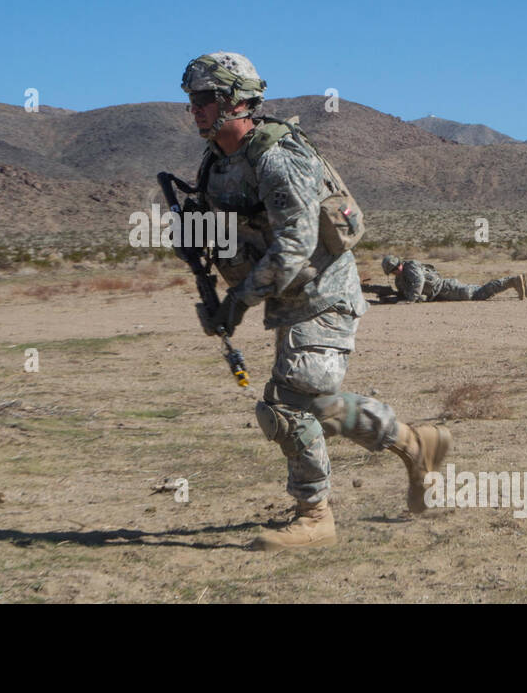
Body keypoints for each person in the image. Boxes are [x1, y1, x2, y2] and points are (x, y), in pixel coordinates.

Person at [181, 52, 451, 550]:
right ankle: (415, 445)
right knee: (318, 405)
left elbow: (294, 244)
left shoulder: (278, 157)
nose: (195, 108)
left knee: (285, 404)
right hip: (286, 298)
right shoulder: (217, 163)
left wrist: (238, 301)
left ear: (238, 101)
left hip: (325, 294)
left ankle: (315, 516)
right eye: (192, 98)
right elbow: (233, 233)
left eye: (205, 98)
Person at [380, 255, 527, 302]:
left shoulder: (410, 267)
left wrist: (411, 299)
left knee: (478, 293)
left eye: (396, 268)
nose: (396, 271)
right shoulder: (400, 279)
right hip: (443, 293)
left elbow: (419, 282)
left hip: (447, 288)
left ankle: (513, 281)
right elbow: (407, 293)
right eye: (393, 271)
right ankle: (517, 281)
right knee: (479, 292)